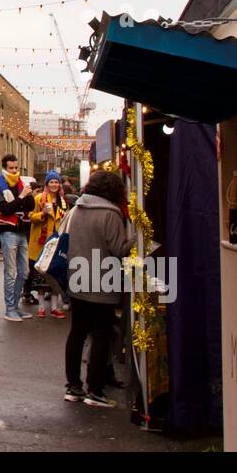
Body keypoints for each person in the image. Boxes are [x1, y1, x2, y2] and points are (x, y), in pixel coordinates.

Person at [62, 170, 135, 408]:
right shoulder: (111, 213)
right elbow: (119, 249)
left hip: (76, 278)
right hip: (102, 281)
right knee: (102, 334)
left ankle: (73, 387)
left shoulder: (76, 209)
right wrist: (136, 237)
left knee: (77, 332)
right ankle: (95, 390)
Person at [0, 155, 32, 321]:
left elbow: (30, 206)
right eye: (11, 168)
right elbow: (5, 209)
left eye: (16, 168)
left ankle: (15, 306)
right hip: (8, 231)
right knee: (10, 273)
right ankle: (10, 309)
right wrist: (21, 197)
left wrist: (26, 196)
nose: (15, 171)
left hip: (22, 231)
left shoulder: (21, 184)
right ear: (5, 168)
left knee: (24, 272)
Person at [30, 172, 69, 318]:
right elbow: (31, 217)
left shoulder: (63, 201)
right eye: (51, 182)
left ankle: (54, 307)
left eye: (56, 182)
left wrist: (65, 216)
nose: (54, 185)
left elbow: (67, 218)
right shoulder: (39, 198)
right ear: (46, 184)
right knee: (41, 277)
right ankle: (41, 307)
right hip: (42, 242)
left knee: (55, 275)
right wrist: (43, 215)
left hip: (57, 242)